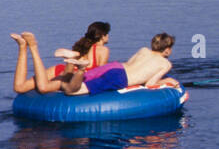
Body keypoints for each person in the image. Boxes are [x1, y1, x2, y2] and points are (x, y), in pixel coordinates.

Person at [22, 32, 178, 95]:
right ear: (167, 50)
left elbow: (130, 63)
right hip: (119, 78)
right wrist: (167, 81)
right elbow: (150, 84)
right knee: (70, 91)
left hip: (115, 67)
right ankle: (81, 68)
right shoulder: (165, 64)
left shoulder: (144, 50)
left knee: (68, 83)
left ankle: (70, 61)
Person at [10, 22, 110, 94]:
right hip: (72, 76)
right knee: (43, 88)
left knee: (19, 88)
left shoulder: (81, 44)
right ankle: (33, 47)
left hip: (60, 69)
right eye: (107, 34)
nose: (108, 37)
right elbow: (100, 72)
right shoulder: (103, 50)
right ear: (102, 36)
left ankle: (22, 46)